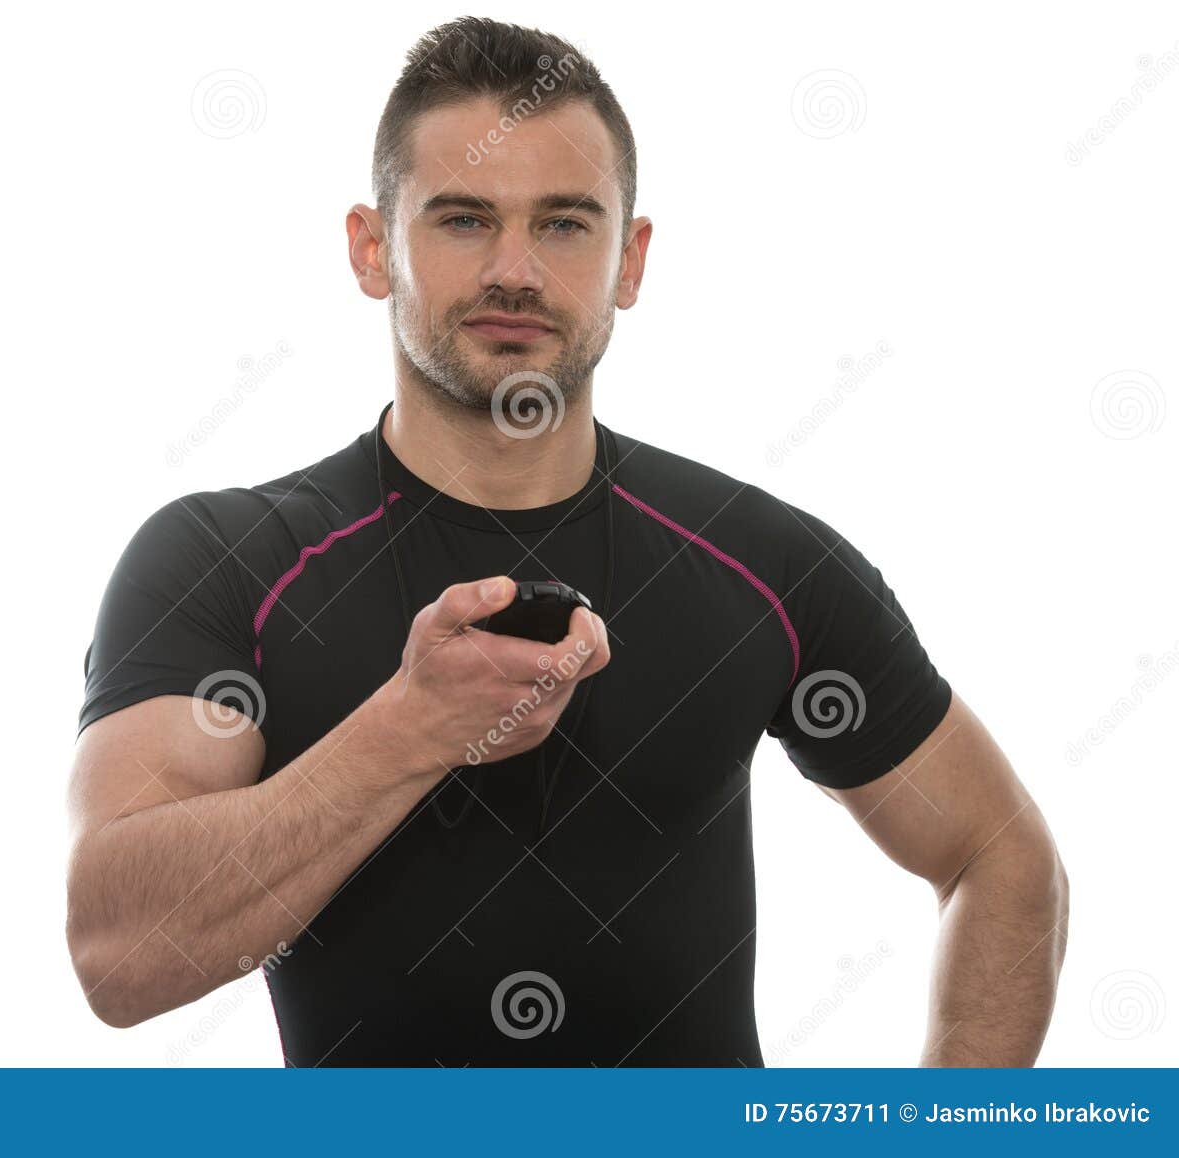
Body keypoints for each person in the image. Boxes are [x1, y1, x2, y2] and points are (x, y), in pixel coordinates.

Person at [65, 16, 1068, 1066]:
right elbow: (121, 957)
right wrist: (413, 727)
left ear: (629, 261)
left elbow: (999, 856)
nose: (514, 271)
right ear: (373, 249)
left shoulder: (761, 564)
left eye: (563, 225)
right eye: (460, 220)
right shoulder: (226, 561)